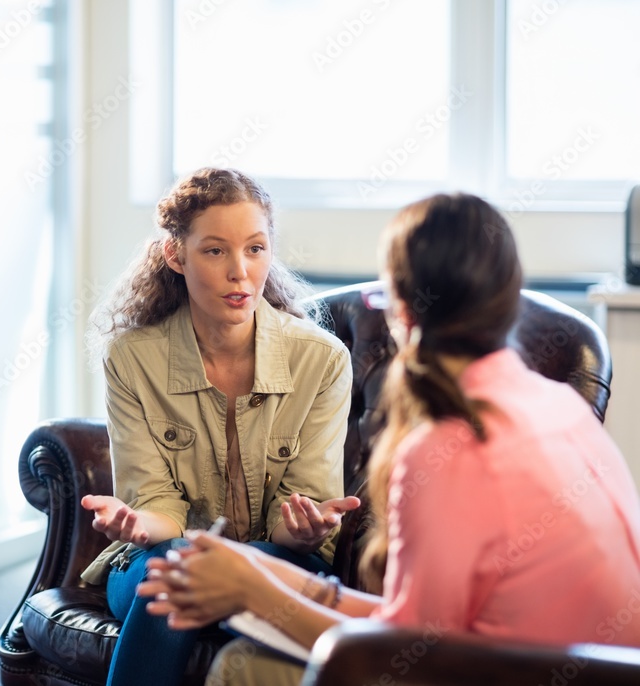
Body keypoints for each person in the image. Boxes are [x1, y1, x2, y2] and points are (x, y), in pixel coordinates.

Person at [138, 192, 640, 685]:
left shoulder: (448, 450)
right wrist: (265, 574)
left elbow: (403, 653)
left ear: (403, 311)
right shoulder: (558, 404)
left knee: (240, 666)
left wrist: (255, 593)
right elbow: (421, 624)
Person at [79, 167, 360, 686]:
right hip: (158, 554)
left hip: (278, 556)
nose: (240, 272)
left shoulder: (321, 360)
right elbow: (156, 503)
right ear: (175, 256)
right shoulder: (132, 357)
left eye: (255, 248)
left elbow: (300, 514)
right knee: (179, 568)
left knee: (222, 573)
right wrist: (140, 525)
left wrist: (302, 527)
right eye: (215, 251)